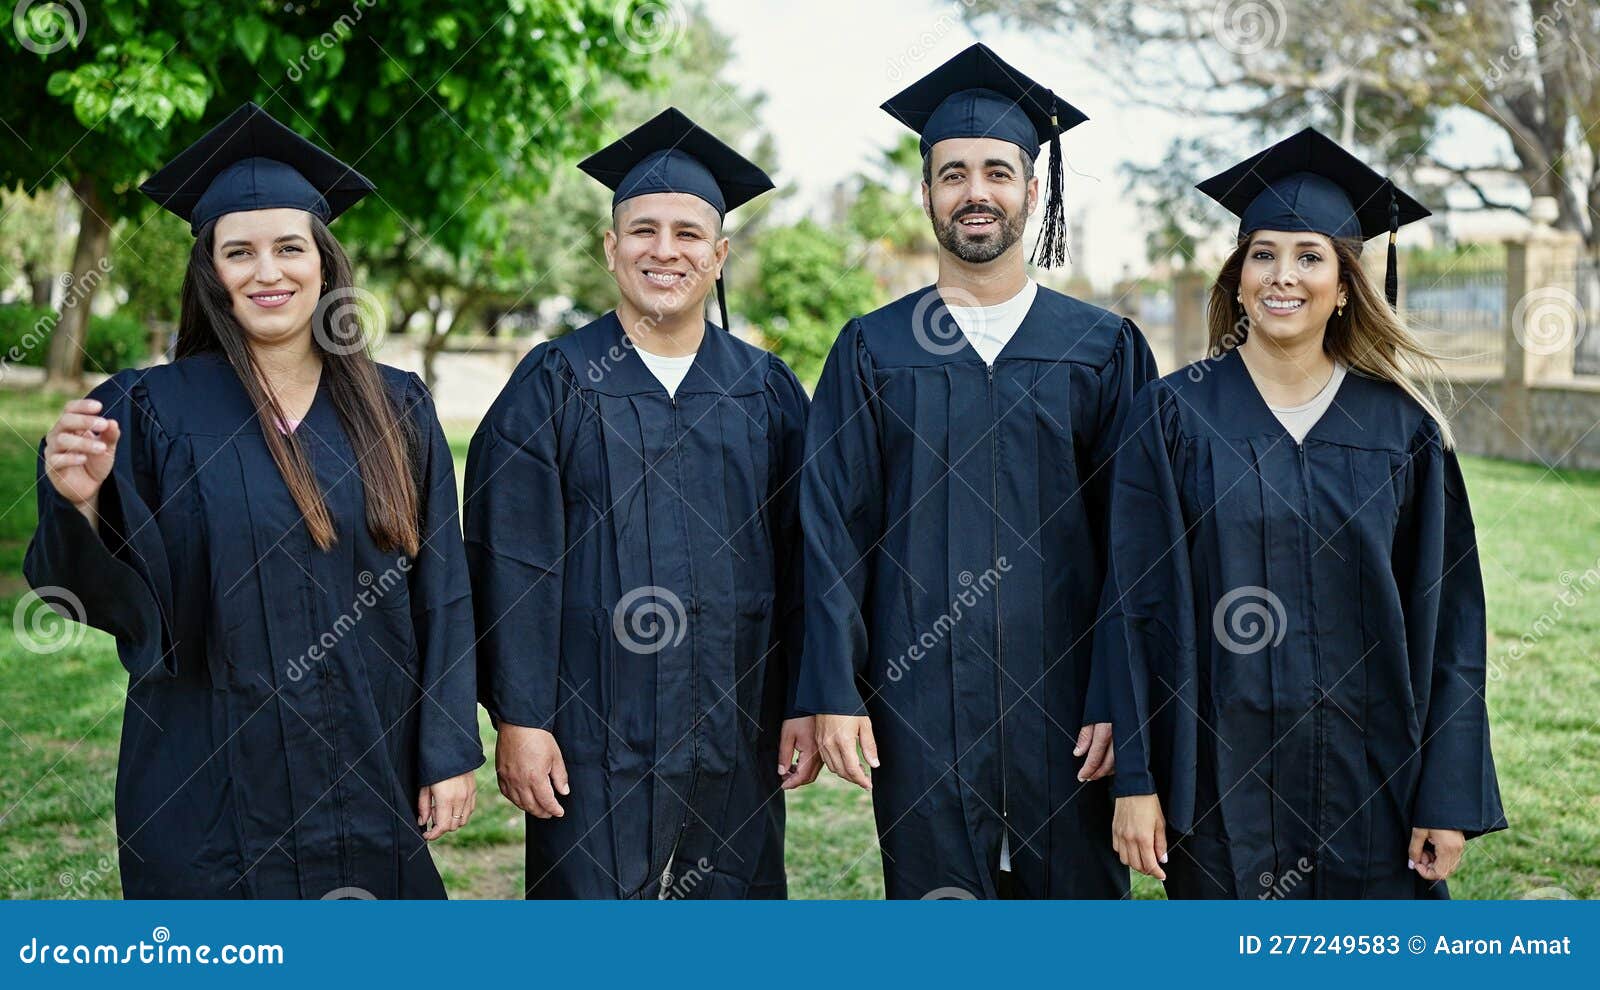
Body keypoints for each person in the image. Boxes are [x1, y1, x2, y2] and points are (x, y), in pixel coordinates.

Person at [24, 102, 483, 899]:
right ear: (212, 273)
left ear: (324, 263)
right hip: (205, 784)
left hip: (366, 772)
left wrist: (446, 752)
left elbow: (442, 589)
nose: (267, 272)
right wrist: (81, 504)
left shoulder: (397, 408)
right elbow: (112, 599)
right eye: (239, 252)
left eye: (288, 248)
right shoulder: (149, 412)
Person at [1098, 127, 1507, 899]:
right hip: (1221, 788)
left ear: (1347, 283)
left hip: (1376, 783)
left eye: (1310, 256)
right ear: (1240, 275)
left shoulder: (1404, 432)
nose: (1283, 276)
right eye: (1264, 254)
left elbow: (1452, 623)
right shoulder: (1174, 416)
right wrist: (1139, 781)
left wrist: (1447, 797)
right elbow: (1134, 608)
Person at [798, 44, 1157, 899]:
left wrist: (1122, 700)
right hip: (918, 706)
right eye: (952, 173)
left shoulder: (1100, 349)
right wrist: (834, 691)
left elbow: (1138, 545)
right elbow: (828, 532)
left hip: (1071, 711)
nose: (975, 192)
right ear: (926, 193)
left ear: (1033, 191)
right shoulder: (871, 350)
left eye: (998, 171)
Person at [465, 108, 815, 899]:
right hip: (590, 735)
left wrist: (807, 698)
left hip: (738, 724)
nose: (665, 250)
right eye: (643, 230)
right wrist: (521, 720)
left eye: (689, 234)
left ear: (719, 256)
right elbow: (507, 562)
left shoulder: (766, 390)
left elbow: (808, 557)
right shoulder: (551, 384)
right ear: (609, 247)